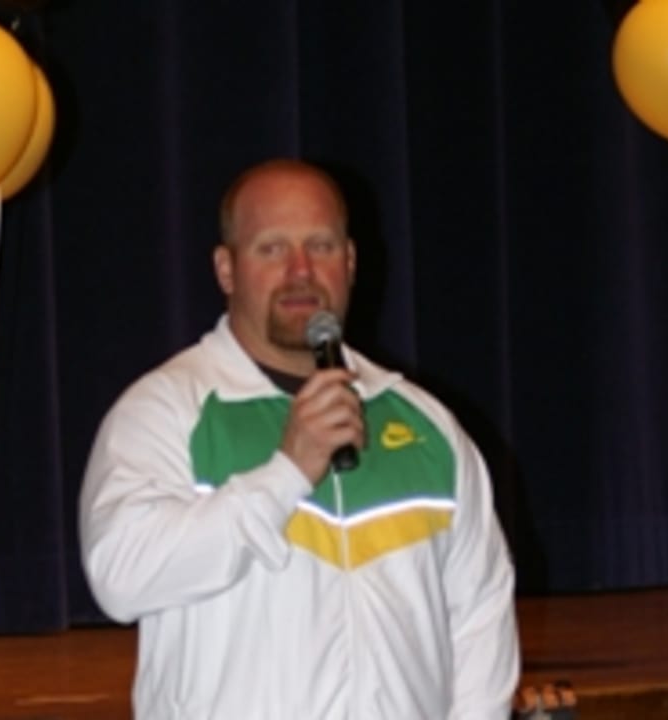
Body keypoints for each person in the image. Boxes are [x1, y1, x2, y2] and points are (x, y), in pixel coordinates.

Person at [79, 158, 519, 718]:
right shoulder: (165, 411)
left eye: (322, 245)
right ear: (226, 269)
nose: (301, 271)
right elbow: (122, 578)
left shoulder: (427, 424)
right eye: (271, 248)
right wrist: (286, 472)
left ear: (352, 261)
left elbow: (480, 621)